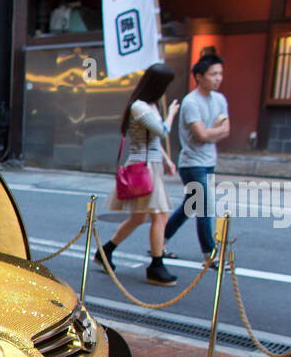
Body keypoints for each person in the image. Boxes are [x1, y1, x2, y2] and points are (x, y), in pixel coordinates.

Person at [94, 63, 179, 286]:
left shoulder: (148, 105)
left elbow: (154, 138)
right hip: (143, 168)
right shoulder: (139, 107)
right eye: (166, 84)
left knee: (141, 217)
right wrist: (171, 114)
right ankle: (156, 266)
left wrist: (168, 160)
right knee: (160, 216)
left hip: (151, 165)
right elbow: (162, 131)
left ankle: (105, 252)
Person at [164, 53, 230, 267]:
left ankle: (159, 241)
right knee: (204, 206)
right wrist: (215, 131)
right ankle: (209, 255)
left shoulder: (220, 99)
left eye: (220, 73)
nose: (218, 78)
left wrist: (213, 132)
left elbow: (226, 130)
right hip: (192, 163)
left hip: (209, 161)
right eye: (213, 74)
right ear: (199, 76)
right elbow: (200, 135)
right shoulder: (191, 102)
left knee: (190, 207)